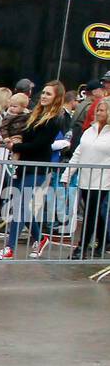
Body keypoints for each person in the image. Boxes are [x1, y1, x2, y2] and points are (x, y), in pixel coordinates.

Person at [0, 80, 70, 259]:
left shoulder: (55, 119)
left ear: (57, 98)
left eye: (48, 94)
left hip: (37, 166)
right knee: (24, 207)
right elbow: (24, 135)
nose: (44, 96)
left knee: (20, 206)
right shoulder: (34, 114)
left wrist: (16, 147)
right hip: (23, 164)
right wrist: (13, 141)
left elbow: (40, 144)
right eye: (43, 93)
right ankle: (40, 237)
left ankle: (9, 247)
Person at [64, 97, 110, 258]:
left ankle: (81, 248)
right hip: (85, 178)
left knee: (91, 213)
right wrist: (67, 174)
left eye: (102, 110)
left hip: (103, 181)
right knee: (95, 213)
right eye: (97, 110)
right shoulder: (89, 131)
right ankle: (105, 240)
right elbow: (78, 153)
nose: (98, 112)